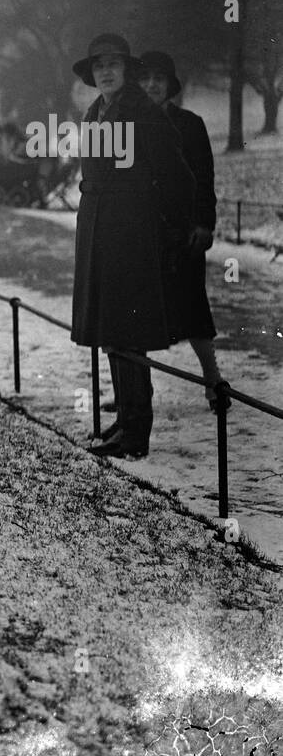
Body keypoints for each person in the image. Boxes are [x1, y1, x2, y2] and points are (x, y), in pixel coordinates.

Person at [68, 34, 195, 458]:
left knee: (129, 332)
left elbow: (178, 179)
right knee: (112, 331)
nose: (105, 71)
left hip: (132, 237)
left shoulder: (143, 114)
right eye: (98, 65)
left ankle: (136, 434)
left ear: (127, 71)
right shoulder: (97, 111)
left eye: (113, 65)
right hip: (101, 234)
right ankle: (124, 421)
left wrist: (164, 230)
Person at [138, 50, 224, 408]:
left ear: (170, 85)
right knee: (136, 311)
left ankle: (213, 382)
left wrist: (204, 224)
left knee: (193, 309)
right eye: (145, 78)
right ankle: (135, 392)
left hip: (183, 233)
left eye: (159, 78)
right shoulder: (128, 125)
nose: (152, 85)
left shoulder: (190, 124)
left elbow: (204, 180)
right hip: (142, 233)